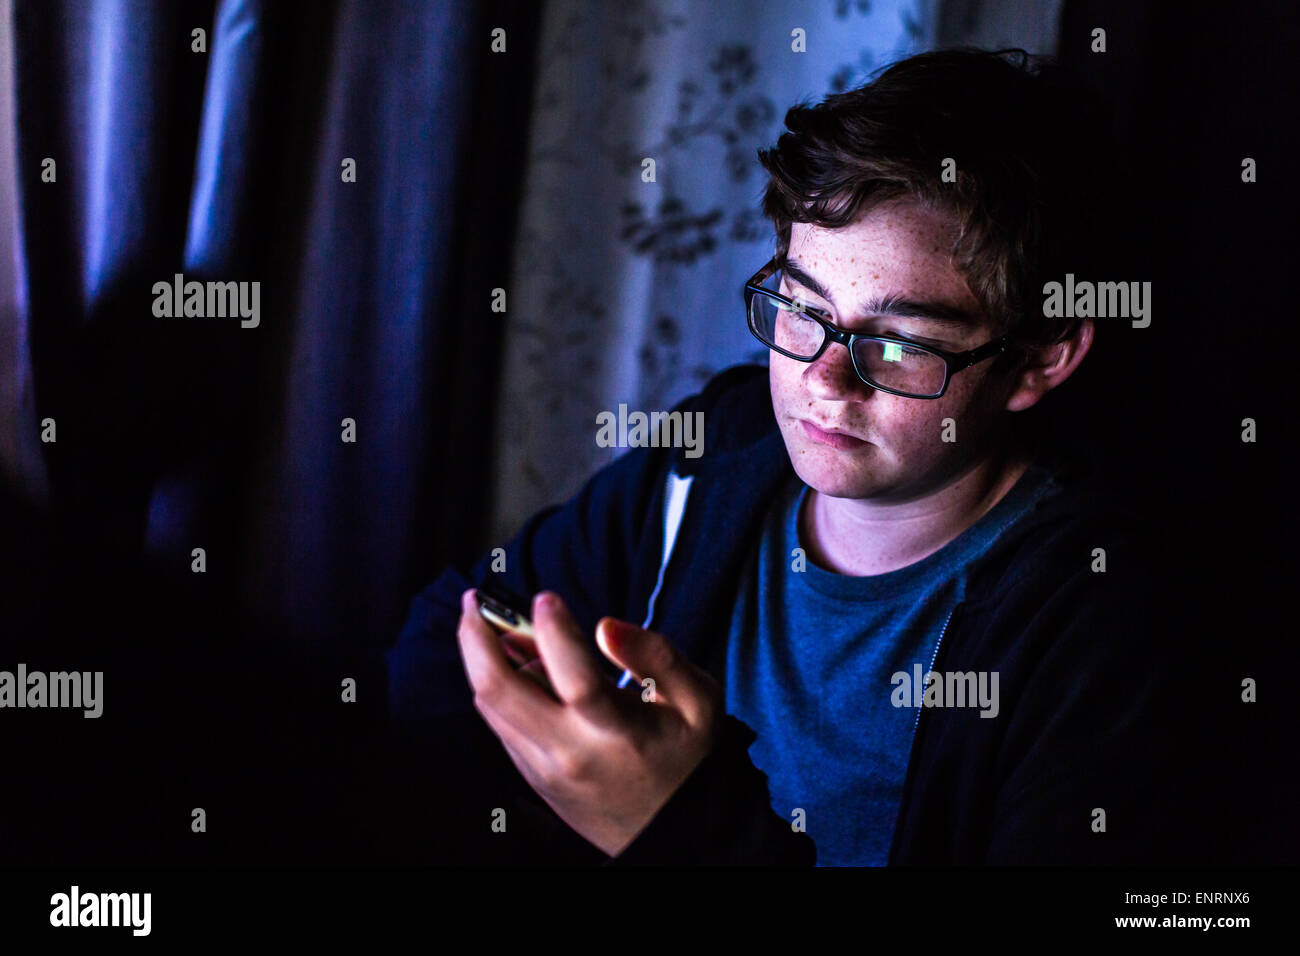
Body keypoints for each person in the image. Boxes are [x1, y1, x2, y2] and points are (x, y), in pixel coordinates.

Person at [383, 48, 1201, 865]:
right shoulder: (723, 445)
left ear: (1038, 360)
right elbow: (444, 648)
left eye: (901, 343)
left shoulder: (1099, 628)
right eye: (801, 307)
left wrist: (673, 827)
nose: (821, 380)